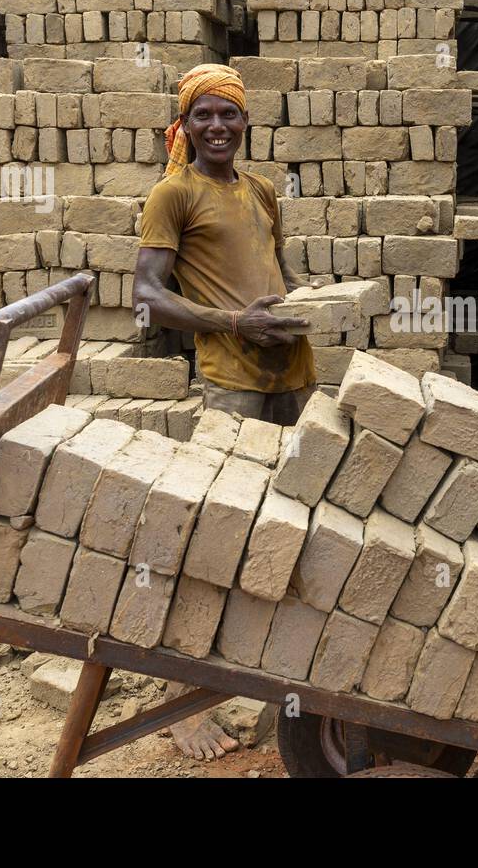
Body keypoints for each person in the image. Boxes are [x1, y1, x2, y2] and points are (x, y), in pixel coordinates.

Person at [134, 64, 315, 760]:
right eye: (204, 114)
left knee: (285, 530)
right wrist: (236, 324)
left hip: (292, 378)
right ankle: (179, 702)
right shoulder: (171, 194)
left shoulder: (263, 191)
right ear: (187, 122)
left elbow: (282, 276)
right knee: (215, 535)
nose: (218, 126)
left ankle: (267, 670)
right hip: (233, 380)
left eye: (229, 115)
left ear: (246, 123)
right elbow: (147, 297)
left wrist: (315, 304)